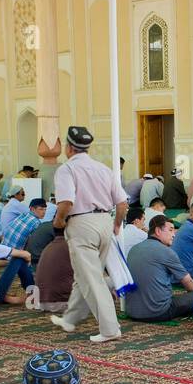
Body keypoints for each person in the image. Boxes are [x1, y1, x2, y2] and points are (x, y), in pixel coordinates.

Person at [49, 126, 125, 344]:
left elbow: (66, 202)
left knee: (92, 279)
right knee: (85, 275)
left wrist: (59, 221)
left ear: (69, 147)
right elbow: (122, 203)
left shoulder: (67, 169)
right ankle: (70, 319)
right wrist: (117, 225)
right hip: (105, 223)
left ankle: (110, 329)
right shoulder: (103, 169)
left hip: (82, 223)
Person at [125, 214, 193, 322]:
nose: (174, 235)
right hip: (158, 312)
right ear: (158, 231)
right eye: (171, 230)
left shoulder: (134, 249)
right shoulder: (166, 252)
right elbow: (188, 282)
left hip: (132, 311)